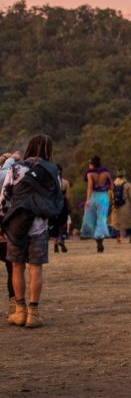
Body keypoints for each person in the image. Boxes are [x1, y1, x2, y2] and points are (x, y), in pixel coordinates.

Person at [3, 135, 66, 329]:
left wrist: (2, 224)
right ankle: (33, 313)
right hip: (39, 226)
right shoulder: (52, 169)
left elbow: (5, 196)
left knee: (16, 267)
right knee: (35, 267)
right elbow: (57, 198)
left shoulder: (15, 168)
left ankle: (19, 312)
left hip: (16, 225)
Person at [82, 156, 112, 252]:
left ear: (92, 164)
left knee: (91, 218)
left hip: (94, 197)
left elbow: (90, 187)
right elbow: (111, 185)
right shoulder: (106, 173)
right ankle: (100, 238)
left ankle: (97, 239)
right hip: (104, 197)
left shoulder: (90, 174)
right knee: (102, 219)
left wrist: (87, 200)